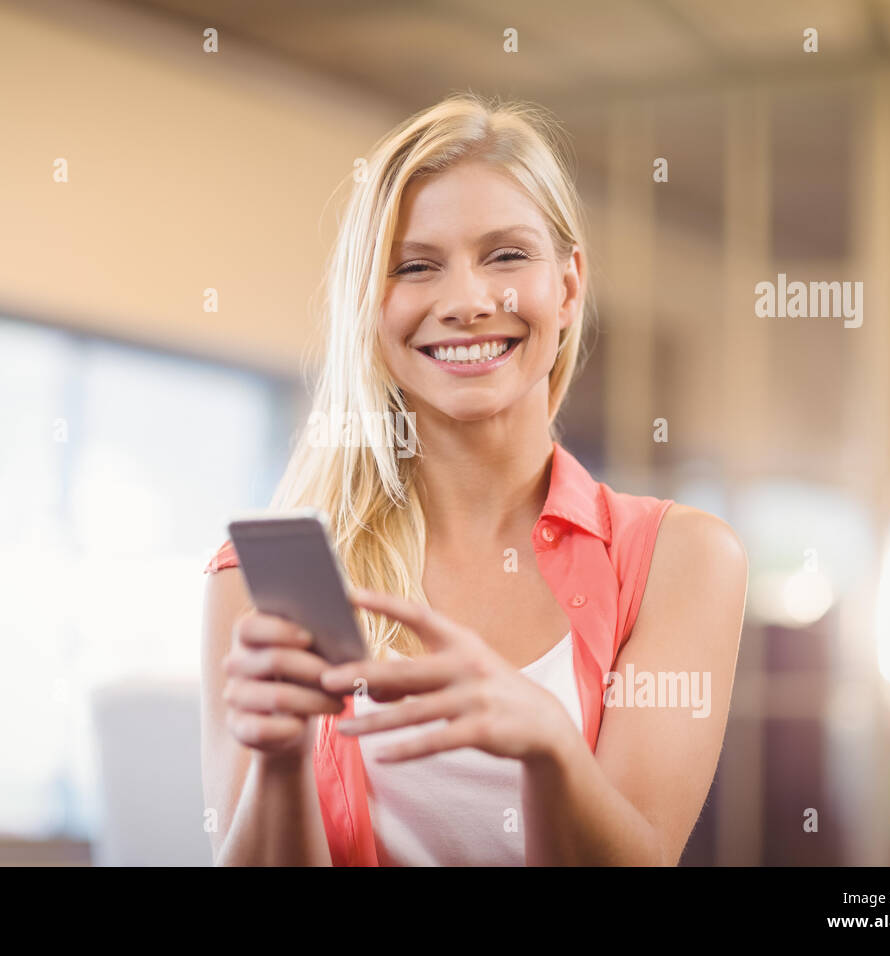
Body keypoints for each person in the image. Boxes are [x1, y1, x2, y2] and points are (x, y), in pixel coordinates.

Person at [200, 91, 748, 866]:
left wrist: (548, 744)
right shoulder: (261, 582)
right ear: (371, 308)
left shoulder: (682, 559)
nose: (465, 302)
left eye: (507, 256)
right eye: (415, 266)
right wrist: (282, 760)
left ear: (568, 287)